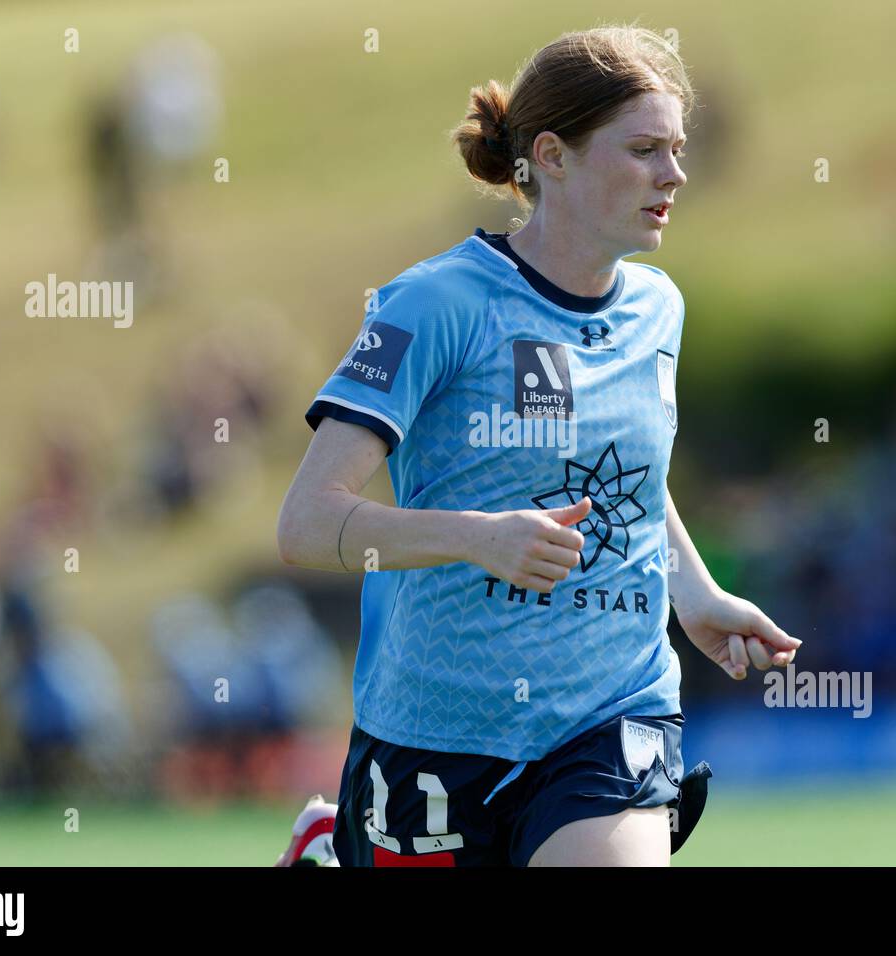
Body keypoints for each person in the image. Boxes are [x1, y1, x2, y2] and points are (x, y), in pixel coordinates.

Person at [275, 25, 801, 867]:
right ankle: (331, 849)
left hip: (608, 714)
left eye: (676, 149)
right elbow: (306, 524)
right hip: (433, 732)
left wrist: (691, 594)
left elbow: (626, 476)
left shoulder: (658, 310)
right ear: (551, 156)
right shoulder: (432, 306)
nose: (674, 175)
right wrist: (481, 539)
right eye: (642, 150)